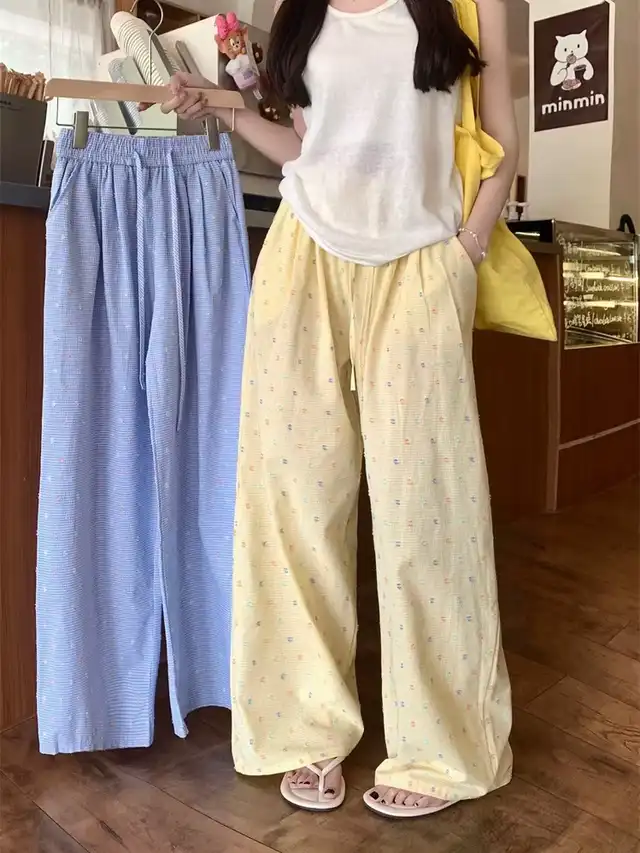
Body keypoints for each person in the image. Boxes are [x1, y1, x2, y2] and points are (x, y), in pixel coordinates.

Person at [162, 0, 516, 820]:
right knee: (293, 501)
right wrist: (228, 110)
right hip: (303, 254)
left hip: (421, 266)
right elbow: (310, 148)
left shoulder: (470, 5)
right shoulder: (301, 10)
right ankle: (302, 726)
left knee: (429, 509)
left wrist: (467, 249)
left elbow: (503, 142)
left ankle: (443, 747)